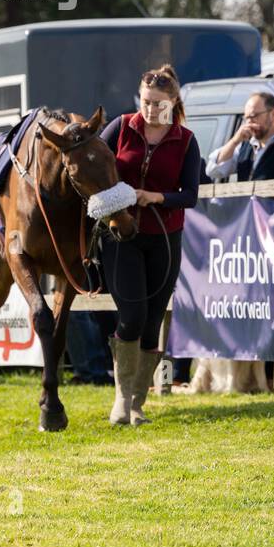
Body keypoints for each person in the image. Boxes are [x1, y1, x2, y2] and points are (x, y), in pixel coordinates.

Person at [99, 65, 201, 425]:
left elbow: (190, 194)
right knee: (132, 315)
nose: (151, 109)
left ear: (173, 102)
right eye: (145, 101)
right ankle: (121, 400)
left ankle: (138, 404)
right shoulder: (121, 127)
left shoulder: (186, 140)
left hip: (166, 238)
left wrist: (153, 196)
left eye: (159, 103)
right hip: (121, 236)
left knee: (154, 318)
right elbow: (95, 166)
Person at [206, 92, 274, 183]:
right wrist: (234, 141)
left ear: (273, 114)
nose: (249, 122)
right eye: (246, 118)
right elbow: (213, 171)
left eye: (254, 116)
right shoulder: (244, 145)